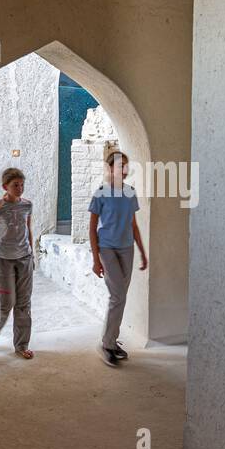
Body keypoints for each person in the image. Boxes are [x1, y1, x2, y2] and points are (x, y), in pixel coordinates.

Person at [88, 150, 148, 367]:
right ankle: (107, 343)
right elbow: (92, 228)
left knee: (120, 297)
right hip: (107, 249)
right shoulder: (101, 194)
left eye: (125, 165)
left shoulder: (131, 193)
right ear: (110, 169)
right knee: (118, 296)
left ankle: (111, 341)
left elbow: (133, 225)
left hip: (126, 249)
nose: (123, 169)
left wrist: (142, 251)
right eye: (118, 165)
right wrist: (96, 259)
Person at [0, 167, 35, 359]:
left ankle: (21, 345)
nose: (20, 188)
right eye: (15, 185)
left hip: (25, 259)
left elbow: (28, 229)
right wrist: (4, 238)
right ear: (5, 186)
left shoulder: (27, 205)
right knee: (5, 302)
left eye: (22, 184)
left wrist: (32, 255)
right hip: (3, 260)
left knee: (24, 304)